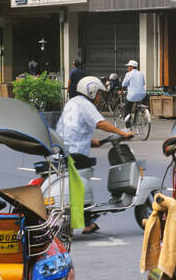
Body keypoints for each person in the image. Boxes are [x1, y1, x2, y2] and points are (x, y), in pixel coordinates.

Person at [55, 76, 132, 235]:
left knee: (78, 182)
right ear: (91, 92)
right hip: (75, 154)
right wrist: (122, 133)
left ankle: (87, 221)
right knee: (84, 178)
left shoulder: (72, 103)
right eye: (99, 94)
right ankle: (87, 220)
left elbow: (72, 128)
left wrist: (91, 141)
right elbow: (101, 123)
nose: (100, 98)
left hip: (62, 150)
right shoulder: (86, 104)